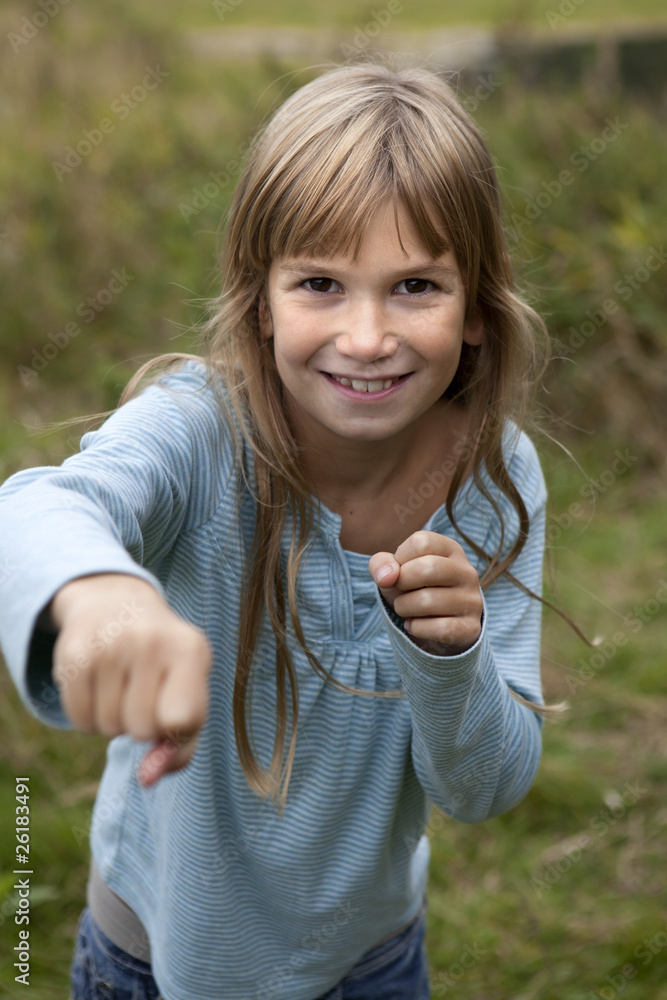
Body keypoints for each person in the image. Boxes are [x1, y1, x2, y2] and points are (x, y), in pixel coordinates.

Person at [0, 62, 553, 1000]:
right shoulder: (198, 433)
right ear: (261, 300)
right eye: (320, 284)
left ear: (475, 309)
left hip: (372, 963)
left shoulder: (495, 482)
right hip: (151, 962)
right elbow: (36, 511)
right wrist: (103, 593)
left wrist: (452, 657)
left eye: (414, 284)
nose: (368, 335)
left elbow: (483, 788)